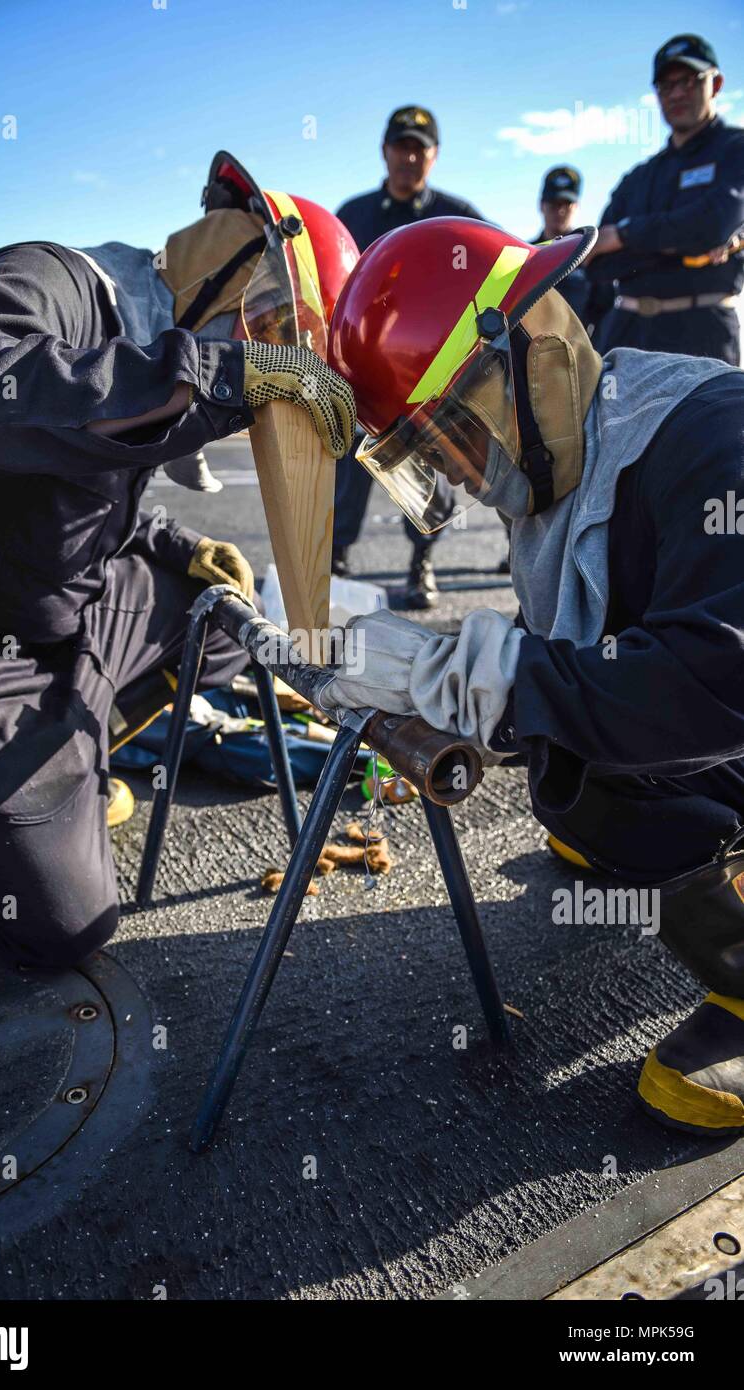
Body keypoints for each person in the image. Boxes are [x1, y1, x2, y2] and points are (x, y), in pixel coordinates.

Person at [0, 151, 357, 973]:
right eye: (272, 323)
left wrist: (187, 550)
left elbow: (96, 509)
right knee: (61, 927)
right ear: (237, 266)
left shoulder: (150, 354)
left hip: (60, 617)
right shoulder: (49, 278)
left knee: (224, 621)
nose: (266, 346)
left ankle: (68, 753)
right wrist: (220, 373)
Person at [323, 214, 744, 1136]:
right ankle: (686, 846)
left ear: (528, 355)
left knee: (594, 765)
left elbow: (718, 679)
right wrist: (442, 680)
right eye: (428, 458)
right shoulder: (575, 456)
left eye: (452, 436)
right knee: (574, 765)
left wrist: (461, 677)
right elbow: (582, 645)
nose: (461, 477)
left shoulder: (718, 434)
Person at [333, 106, 484, 608]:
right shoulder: (353, 215)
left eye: (420, 148)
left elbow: (504, 264)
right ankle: (334, 560)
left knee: (428, 470)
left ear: (434, 156)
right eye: (401, 146)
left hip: (431, 375)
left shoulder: (457, 218)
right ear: (385, 152)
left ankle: (422, 563)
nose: (409, 157)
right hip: (361, 372)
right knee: (348, 468)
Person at [586, 34, 744, 365]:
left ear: (715, 84)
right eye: (666, 85)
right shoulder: (638, 178)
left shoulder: (735, 151)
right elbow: (598, 263)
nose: (676, 93)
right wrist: (683, 246)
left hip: (703, 336)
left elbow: (712, 226)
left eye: (688, 81)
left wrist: (625, 236)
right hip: (627, 337)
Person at [531, 167, 611, 337]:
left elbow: (605, 310)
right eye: (553, 205)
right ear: (541, 206)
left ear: (577, 207)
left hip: (578, 348)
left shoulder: (590, 255)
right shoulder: (527, 255)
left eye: (566, 205)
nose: (559, 211)